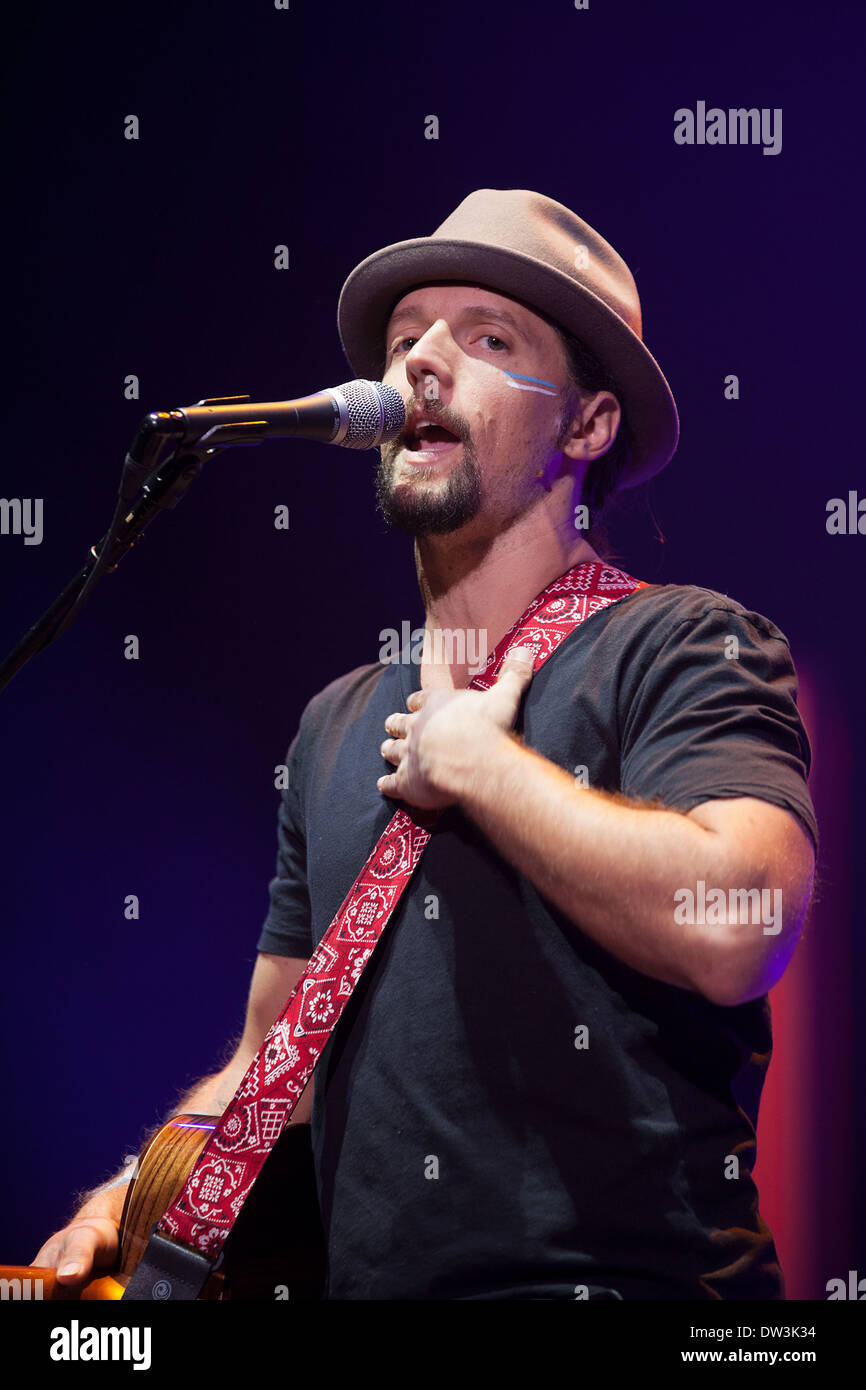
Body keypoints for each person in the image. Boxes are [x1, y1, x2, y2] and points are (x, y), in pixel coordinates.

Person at [35, 189, 817, 1300]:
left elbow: (745, 924)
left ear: (586, 427)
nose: (420, 366)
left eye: (485, 338)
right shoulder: (335, 722)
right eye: (406, 342)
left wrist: (488, 771)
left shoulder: (685, 642)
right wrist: (141, 1186)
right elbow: (277, 1054)